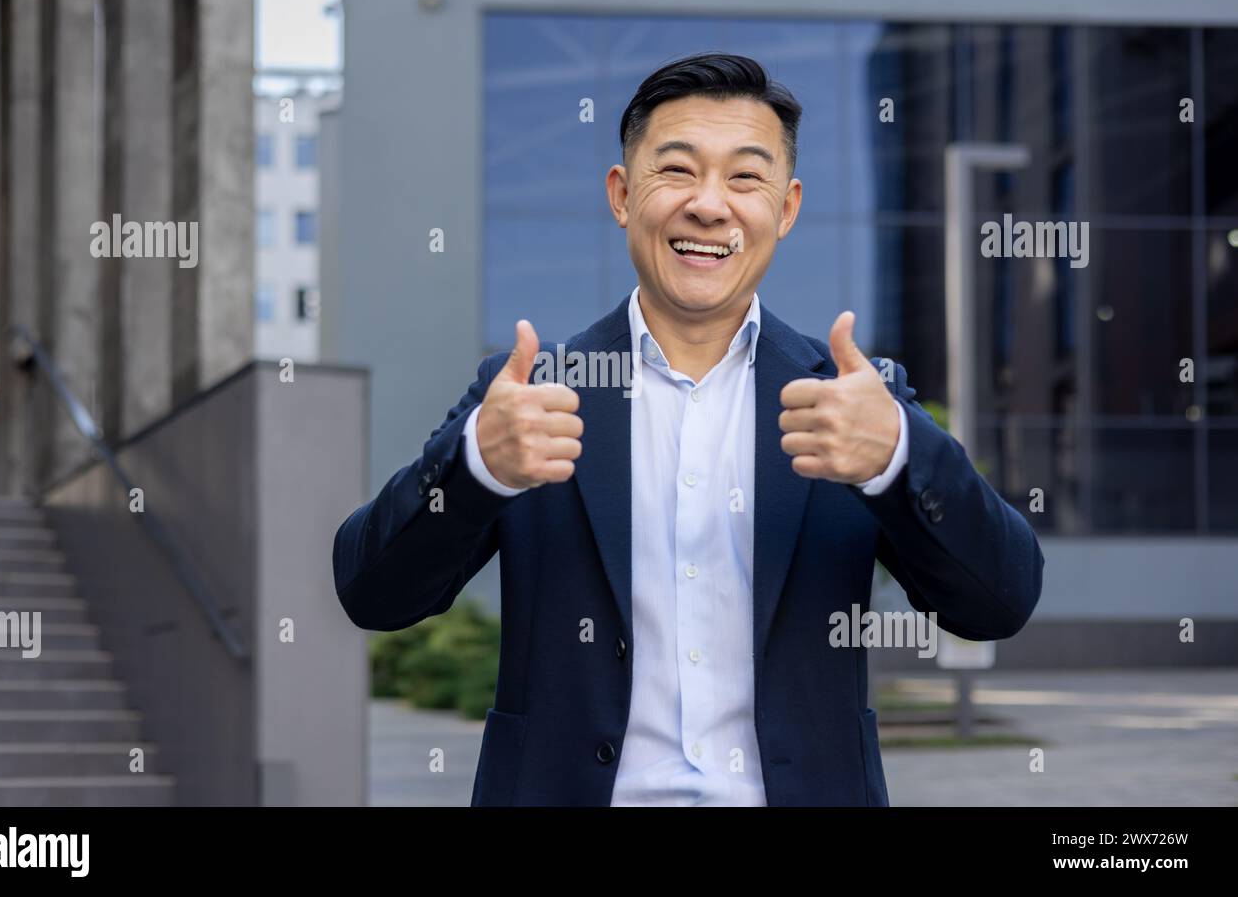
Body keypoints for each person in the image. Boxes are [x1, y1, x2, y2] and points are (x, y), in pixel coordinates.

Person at [333, 52, 1043, 806]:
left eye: (745, 177)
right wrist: (475, 463)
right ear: (622, 193)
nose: (710, 206)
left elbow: (999, 600)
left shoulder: (851, 401)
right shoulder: (529, 395)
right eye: (676, 170)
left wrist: (899, 454)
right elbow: (372, 593)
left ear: (788, 207)